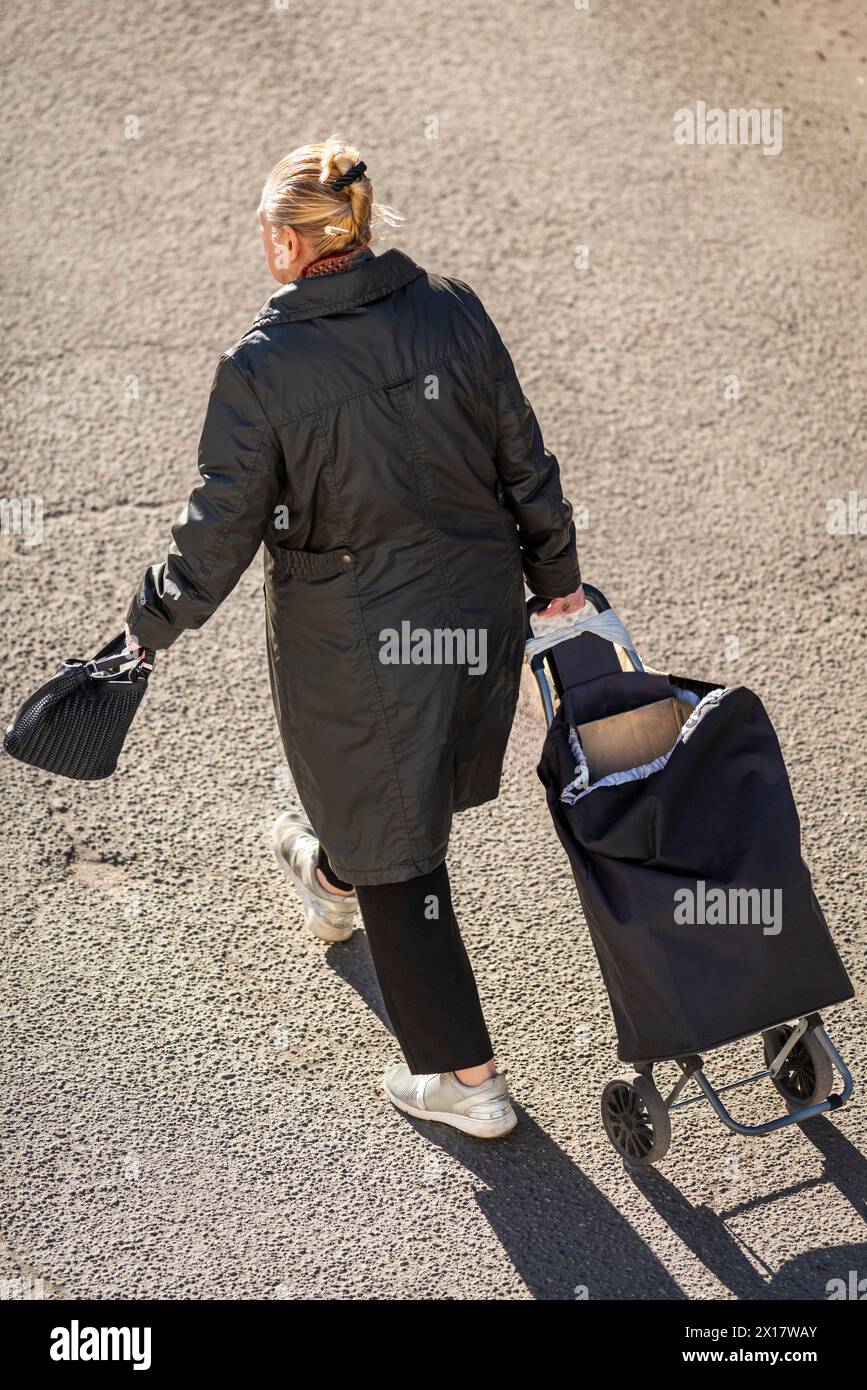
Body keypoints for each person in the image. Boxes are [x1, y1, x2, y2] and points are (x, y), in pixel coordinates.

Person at [125, 136, 584, 1140]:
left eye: (265, 226)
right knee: (386, 797)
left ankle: (467, 1080)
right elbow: (524, 454)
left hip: (362, 641)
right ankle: (329, 877)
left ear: (293, 245)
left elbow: (217, 530)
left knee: (402, 853)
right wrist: (557, 577)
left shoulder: (263, 369)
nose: (259, 241)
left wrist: (148, 624)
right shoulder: (454, 308)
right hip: (475, 620)